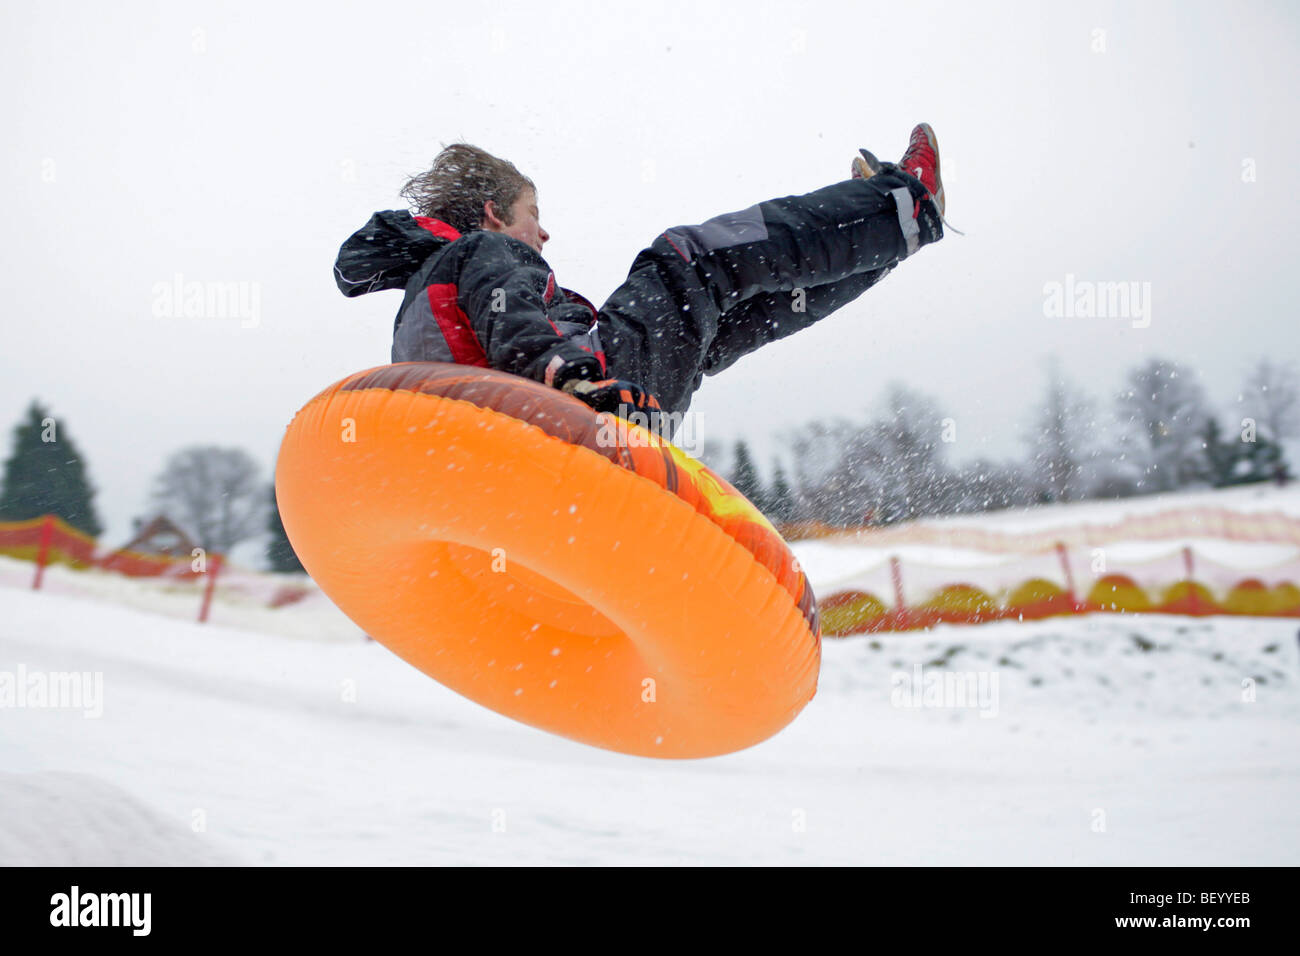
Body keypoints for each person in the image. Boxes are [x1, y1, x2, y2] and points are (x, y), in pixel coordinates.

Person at [334, 125, 947, 435]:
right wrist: (572, 379)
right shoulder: (481, 251)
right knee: (685, 260)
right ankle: (901, 205)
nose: (544, 237)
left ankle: (883, 233)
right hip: (573, 404)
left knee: (724, 319)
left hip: (553, 424)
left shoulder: (419, 303)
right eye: (534, 216)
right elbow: (512, 322)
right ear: (495, 214)